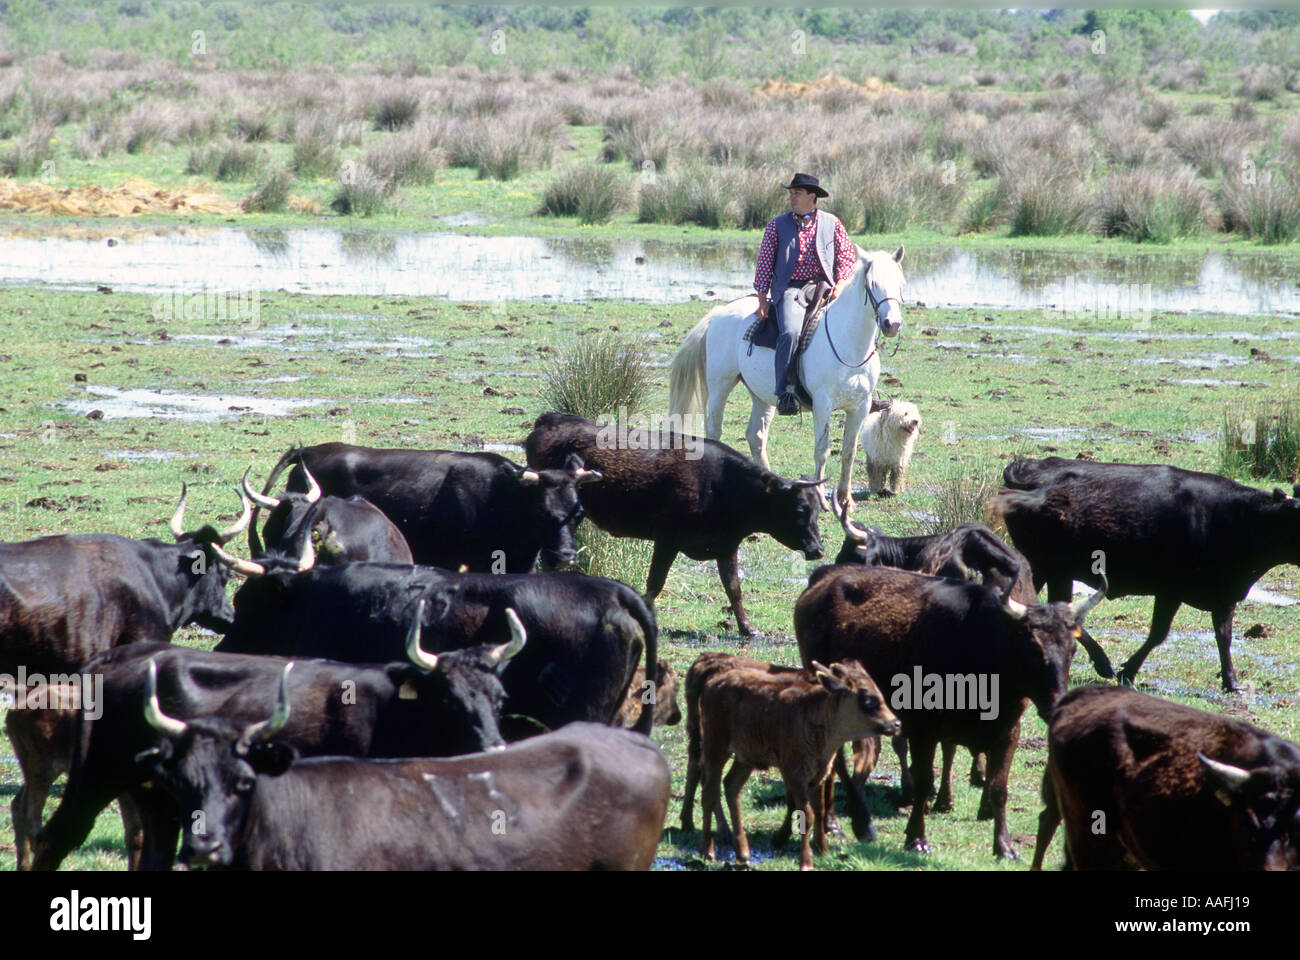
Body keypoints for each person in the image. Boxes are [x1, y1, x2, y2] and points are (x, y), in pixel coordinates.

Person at [753, 173, 857, 415]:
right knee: (790, 332)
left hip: (827, 287)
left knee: (858, 323)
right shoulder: (777, 225)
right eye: (790, 193)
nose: (791, 198)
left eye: (796, 193)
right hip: (791, 289)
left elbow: (846, 258)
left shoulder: (833, 223)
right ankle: (785, 390)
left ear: (812, 197)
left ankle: (860, 385)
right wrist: (761, 299)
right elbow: (765, 264)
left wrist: (840, 284)